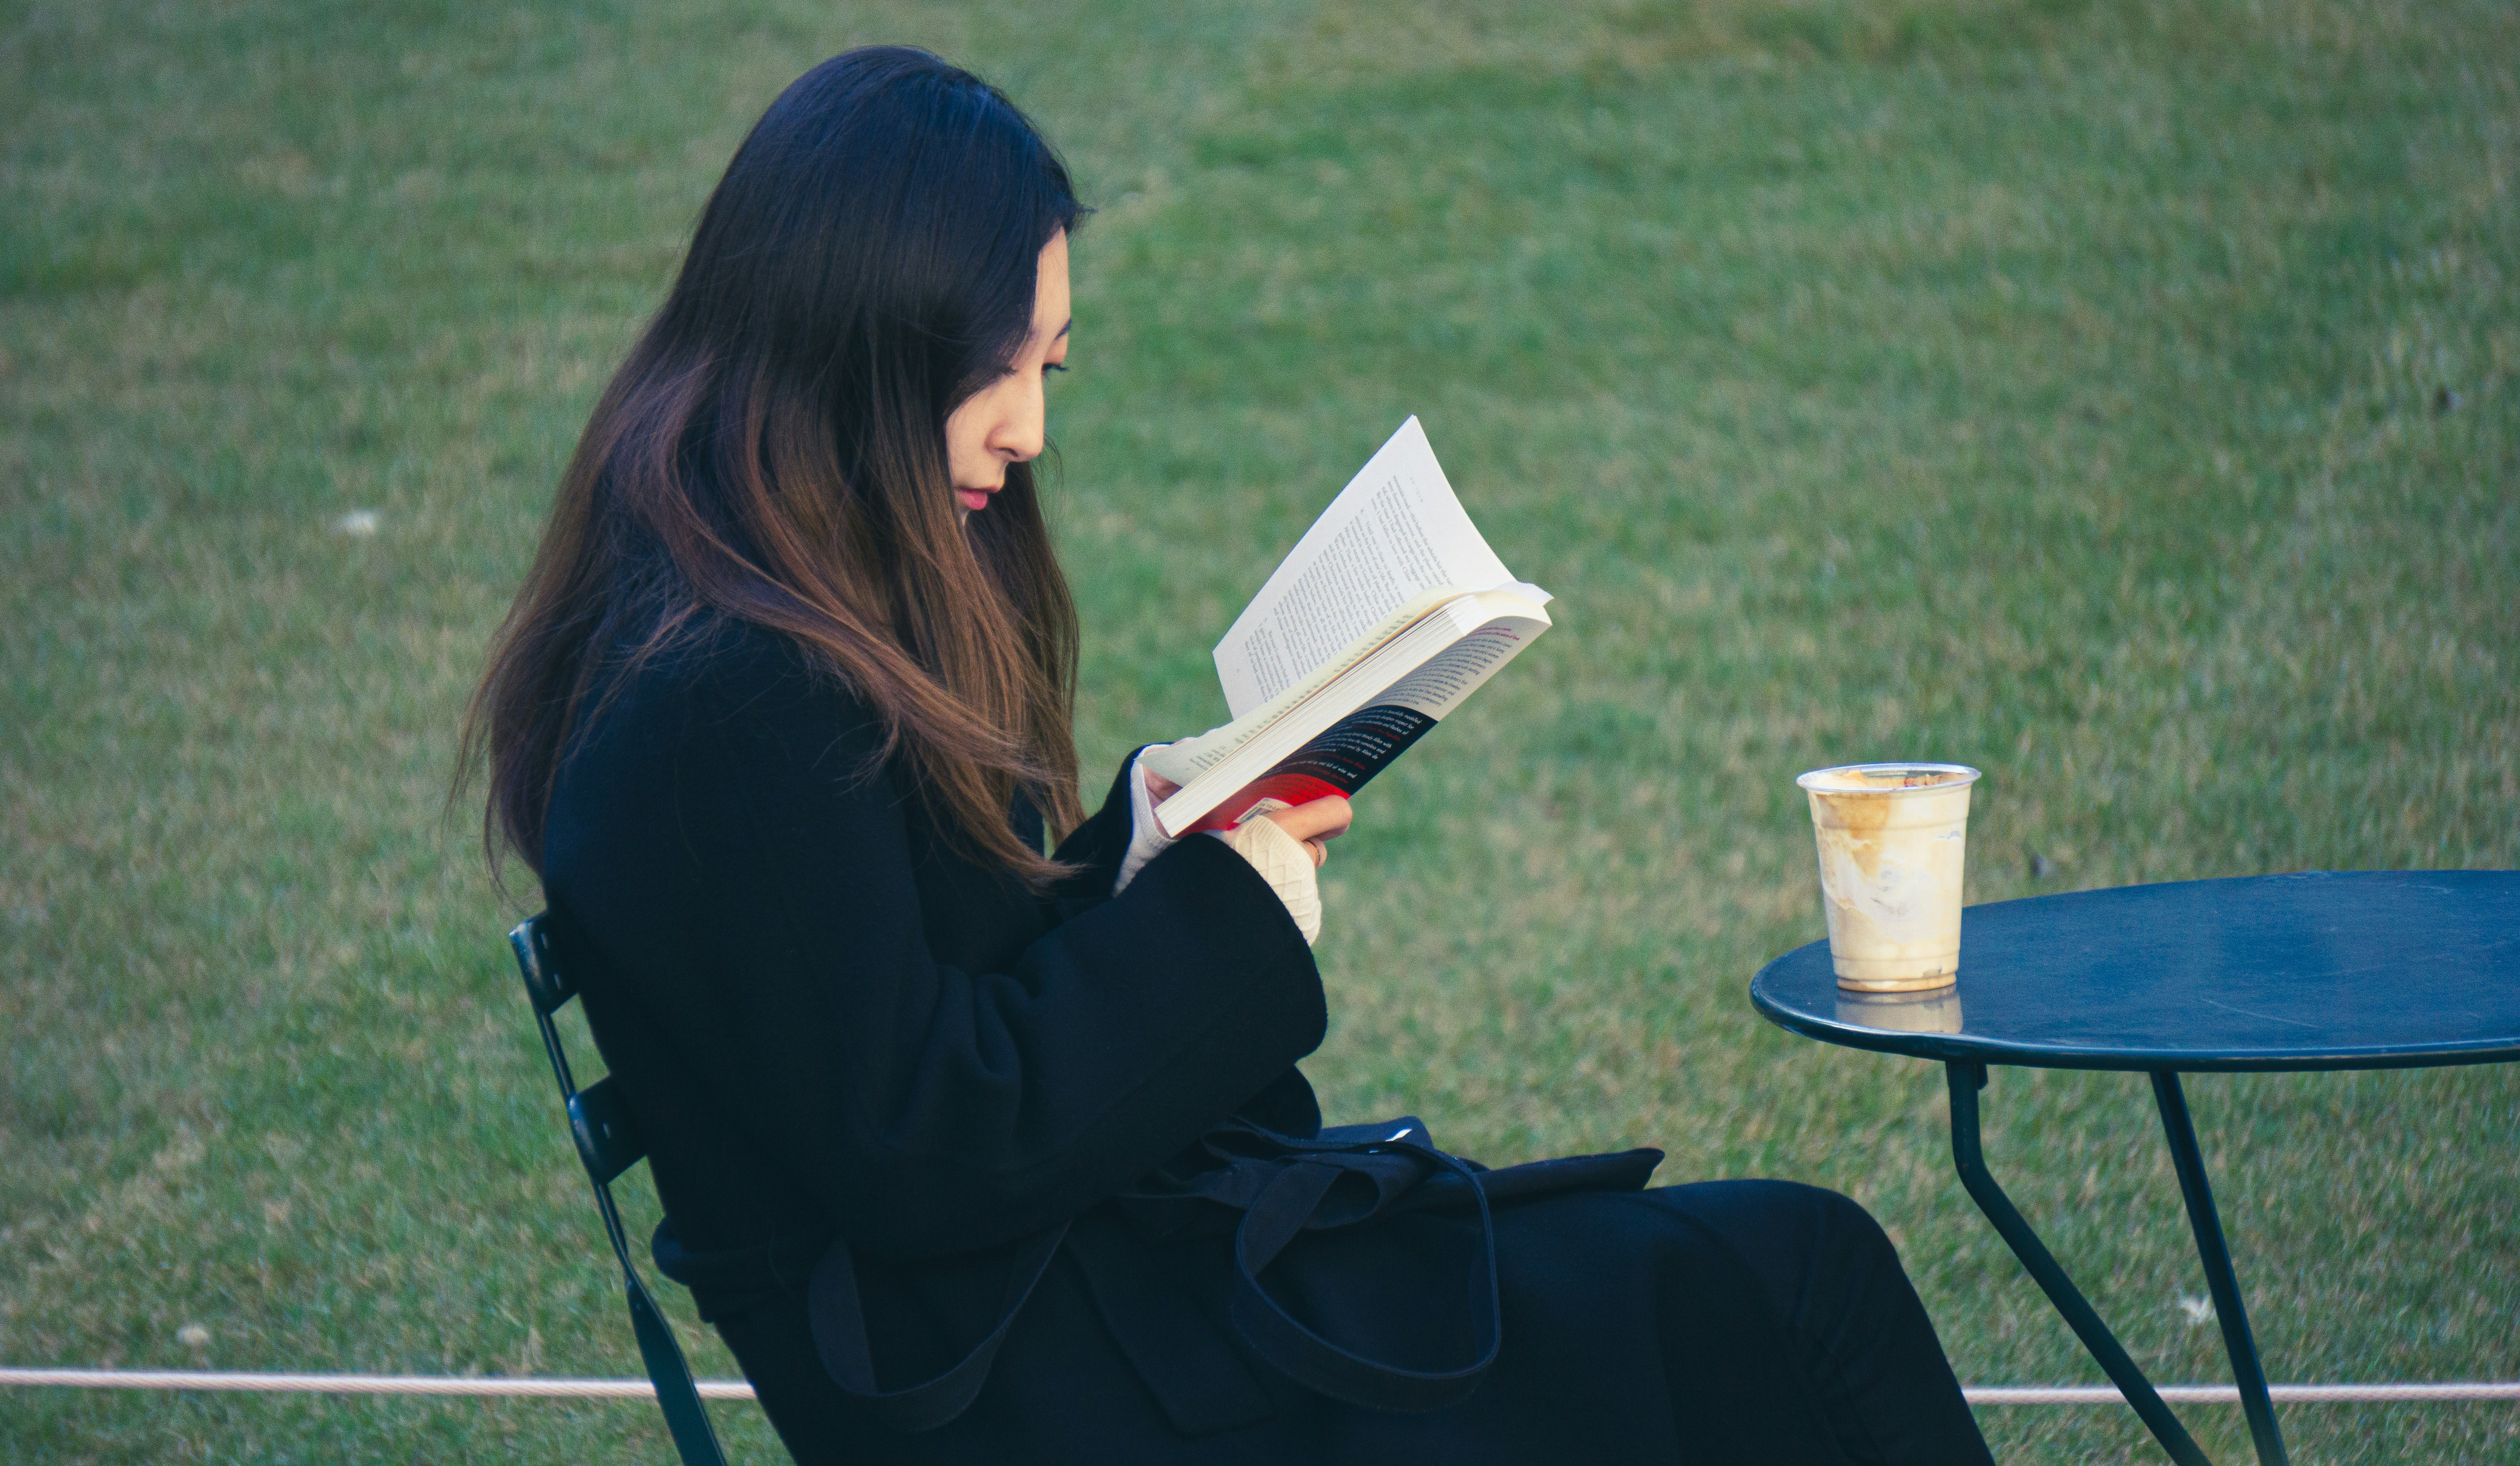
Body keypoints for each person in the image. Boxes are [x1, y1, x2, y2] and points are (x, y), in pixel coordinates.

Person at [465, 46, 1995, 1466]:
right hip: (1047, 1379)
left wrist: (1131, 851)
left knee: (1775, 1275)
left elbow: (898, 1004)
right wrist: (1224, 911)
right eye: (1002, 368)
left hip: (1081, 1318)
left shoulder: (736, 612)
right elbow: (928, 1145)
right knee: (1799, 1281)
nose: (1027, 430)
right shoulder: (723, 698)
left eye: (1051, 371)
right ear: (872, 345)